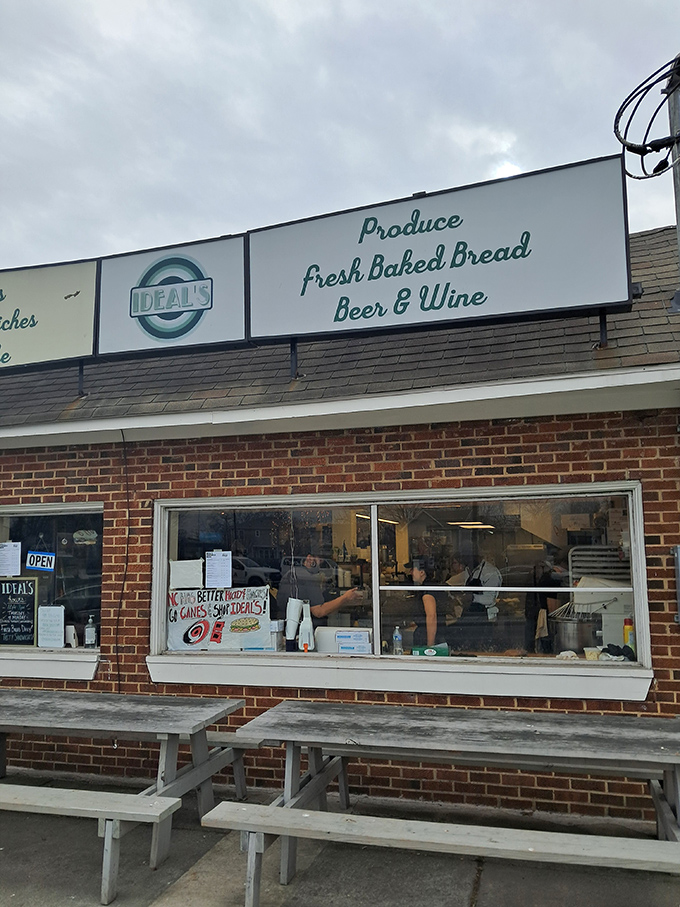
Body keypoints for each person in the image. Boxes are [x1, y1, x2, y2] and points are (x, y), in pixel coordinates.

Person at [276, 553, 364, 624]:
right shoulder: (307, 578)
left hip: (285, 623)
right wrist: (346, 597)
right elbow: (319, 611)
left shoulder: (291, 573)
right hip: (301, 628)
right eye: (320, 562)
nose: (320, 567)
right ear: (310, 558)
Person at [407, 559, 449, 648]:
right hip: (434, 633)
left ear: (422, 572)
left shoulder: (427, 591)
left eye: (412, 569)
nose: (410, 572)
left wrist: (430, 646)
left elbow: (431, 616)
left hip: (427, 636)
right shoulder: (431, 586)